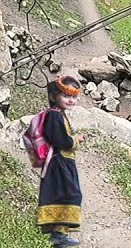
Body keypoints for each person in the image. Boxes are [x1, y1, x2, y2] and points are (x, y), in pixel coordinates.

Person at [38, 76, 83, 247]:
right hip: (59, 164)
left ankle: (60, 235)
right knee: (69, 194)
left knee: (68, 194)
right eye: (66, 96)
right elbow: (60, 140)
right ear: (53, 96)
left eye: (73, 97)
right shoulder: (54, 116)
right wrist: (76, 140)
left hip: (65, 163)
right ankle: (58, 234)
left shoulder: (59, 115)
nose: (71, 100)